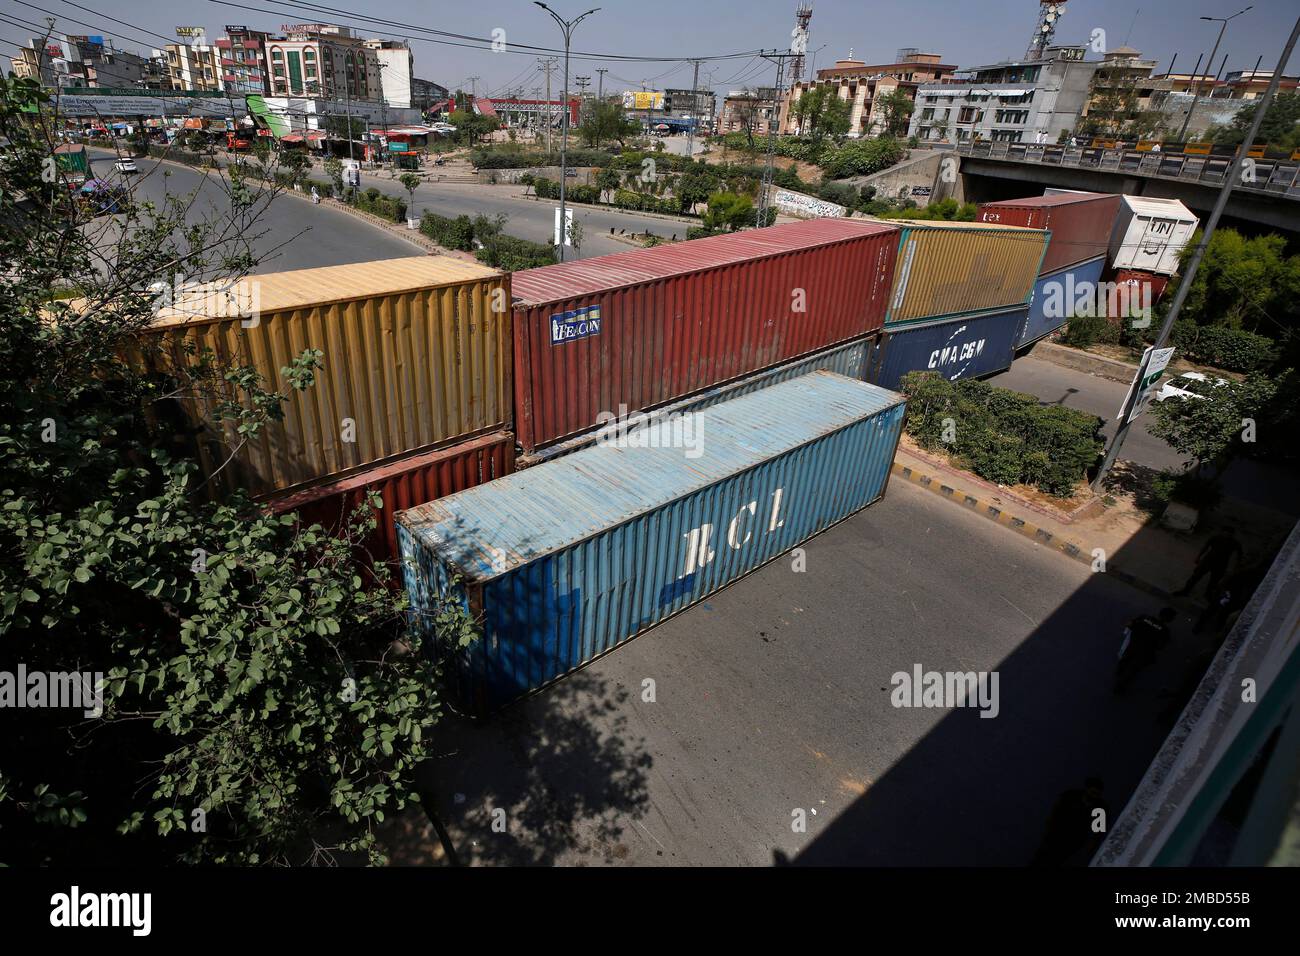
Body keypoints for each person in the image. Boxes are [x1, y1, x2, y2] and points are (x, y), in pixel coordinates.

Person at [1031, 777, 1109, 866]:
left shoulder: (1100, 808)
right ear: (1087, 789)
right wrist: (1048, 830)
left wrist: (1090, 848)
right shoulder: (1070, 796)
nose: (1094, 796)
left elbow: (1098, 833)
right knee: (1039, 860)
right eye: (1092, 792)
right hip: (1054, 837)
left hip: (1072, 844)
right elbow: (1054, 813)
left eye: (1097, 794)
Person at [1114, 607, 1176, 694]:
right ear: (1169, 618)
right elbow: (1160, 646)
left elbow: (1129, 624)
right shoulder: (1165, 631)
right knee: (1133, 670)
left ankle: (1119, 673)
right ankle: (1120, 687)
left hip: (1133, 645)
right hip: (1145, 653)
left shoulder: (1145, 618)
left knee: (1125, 660)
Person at [1175, 529, 1243, 599]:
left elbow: (1239, 555)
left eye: (1229, 533)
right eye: (1226, 532)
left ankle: (1207, 594)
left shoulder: (1234, 543)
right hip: (1208, 561)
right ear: (1222, 532)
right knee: (1195, 576)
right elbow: (1205, 547)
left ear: (1232, 535)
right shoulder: (1215, 538)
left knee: (1214, 581)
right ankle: (1185, 591)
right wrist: (1198, 557)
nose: (1227, 534)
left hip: (1221, 564)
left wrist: (1235, 567)